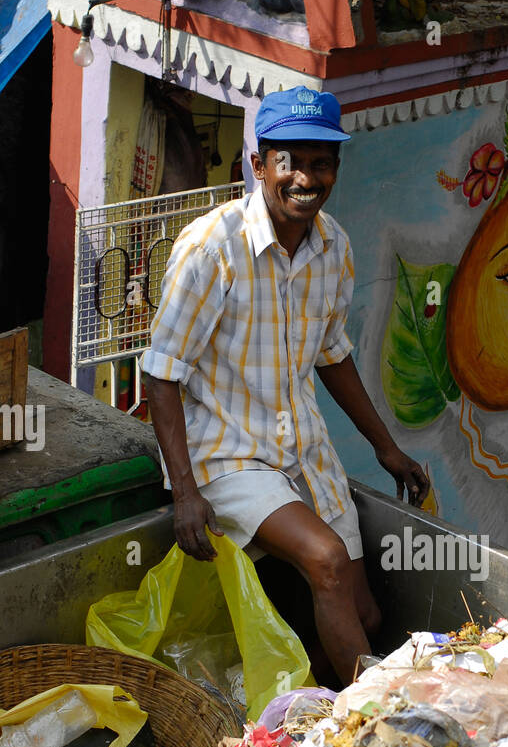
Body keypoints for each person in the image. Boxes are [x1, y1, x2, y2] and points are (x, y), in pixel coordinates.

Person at [143, 86, 429, 686]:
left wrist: (385, 448)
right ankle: (371, 722)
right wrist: (185, 494)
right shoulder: (211, 249)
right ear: (259, 166)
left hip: (302, 449)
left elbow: (333, 355)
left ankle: (295, 717)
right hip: (226, 453)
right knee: (325, 561)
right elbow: (161, 376)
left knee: (367, 614)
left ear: (336, 170)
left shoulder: (335, 247)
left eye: (320, 163)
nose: (305, 177)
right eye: (288, 161)